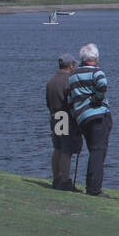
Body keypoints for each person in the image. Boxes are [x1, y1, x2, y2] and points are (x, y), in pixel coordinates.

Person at [68, 43, 112, 197]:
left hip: (82, 118)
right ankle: (94, 189)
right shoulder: (97, 72)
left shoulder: (73, 75)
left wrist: (76, 114)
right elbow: (103, 85)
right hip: (98, 115)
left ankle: (91, 185)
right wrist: (97, 99)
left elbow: (70, 98)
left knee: (93, 150)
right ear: (96, 58)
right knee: (98, 151)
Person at [46, 54, 81, 190]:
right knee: (67, 150)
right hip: (65, 117)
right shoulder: (69, 80)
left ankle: (57, 179)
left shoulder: (51, 81)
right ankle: (65, 181)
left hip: (55, 116)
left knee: (58, 148)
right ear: (70, 65)